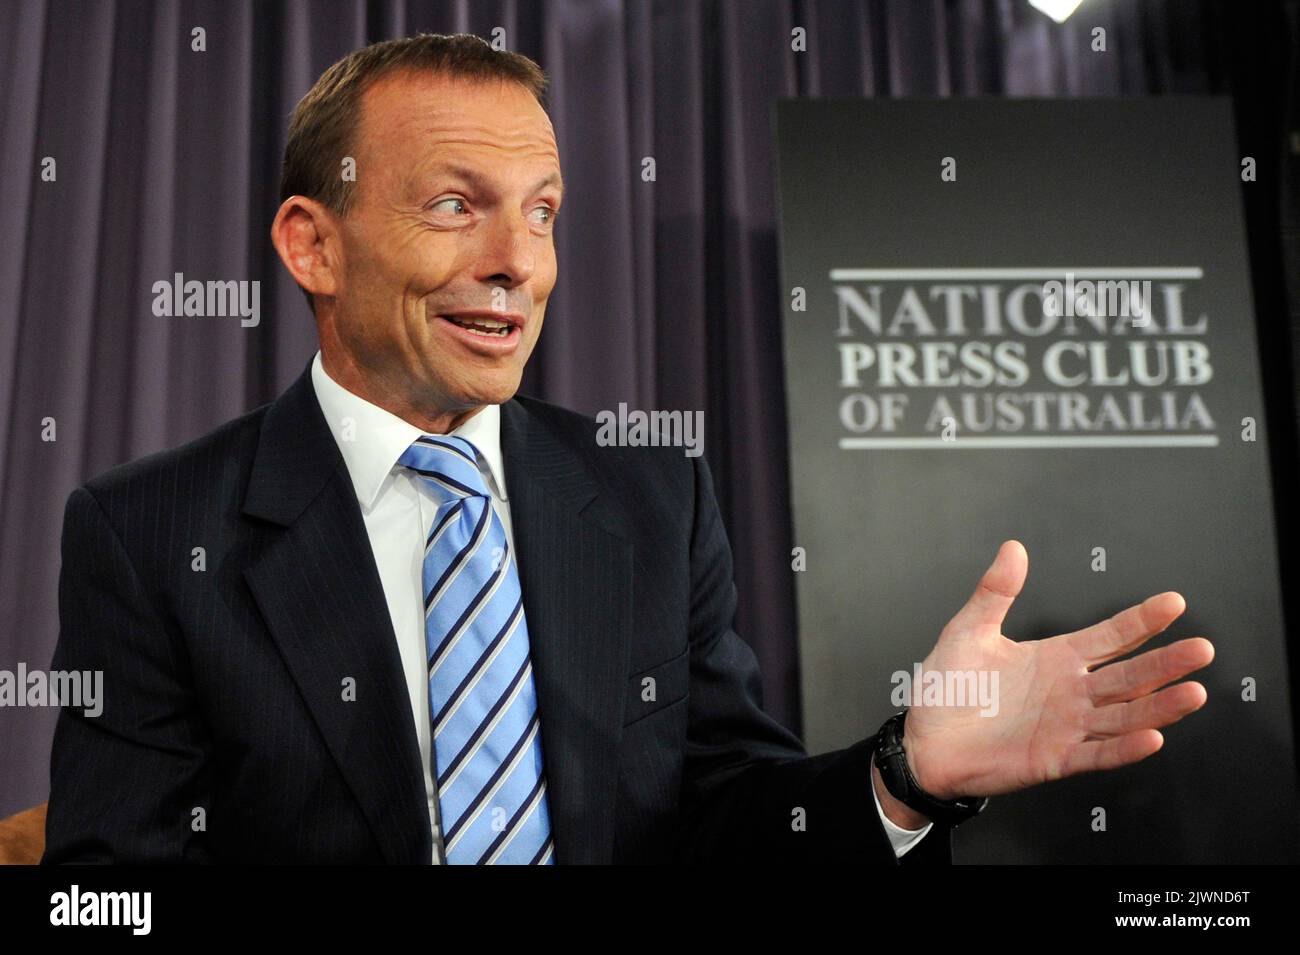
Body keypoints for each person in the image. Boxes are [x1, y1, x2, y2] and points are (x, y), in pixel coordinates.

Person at [43, 33, 1214, 864]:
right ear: (313, 245)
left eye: (543, 210)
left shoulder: (652, 497)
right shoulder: (153, 532)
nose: (520, 260)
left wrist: (899, 773)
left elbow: (727, 822)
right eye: (457, 204)